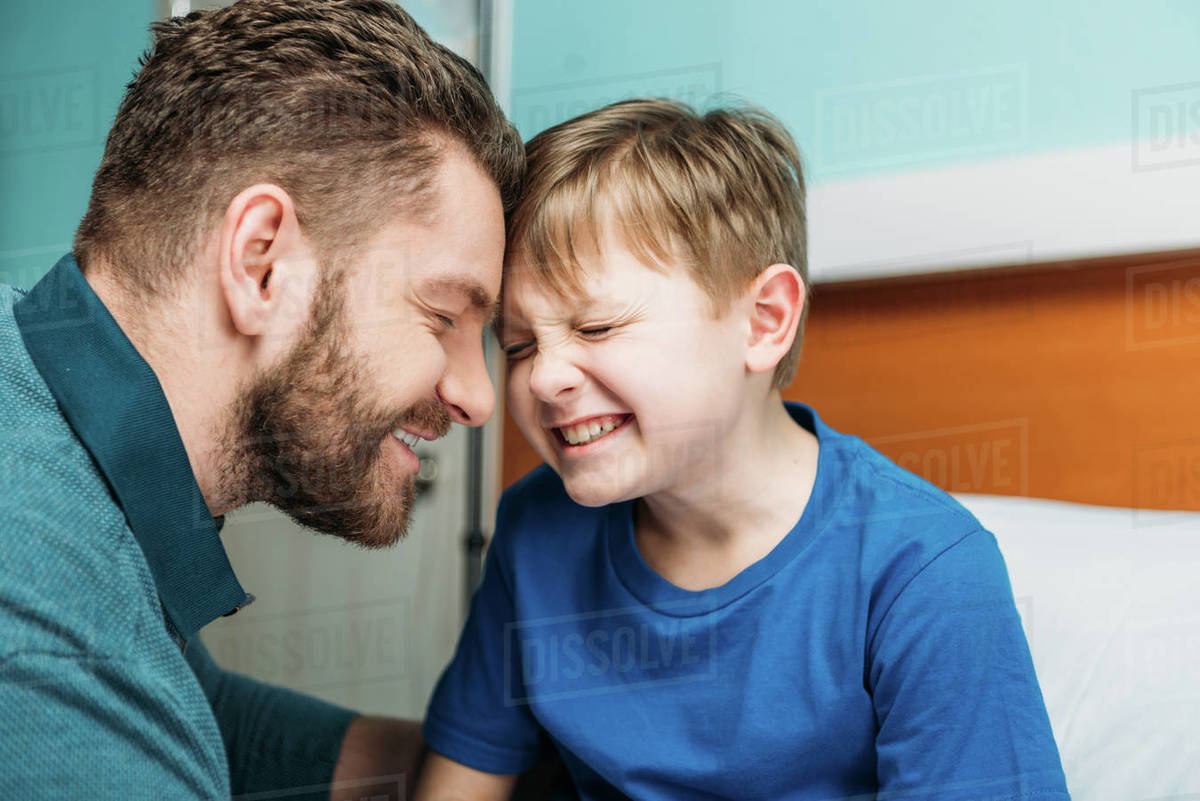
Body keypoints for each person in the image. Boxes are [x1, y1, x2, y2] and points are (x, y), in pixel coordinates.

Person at [415, 98, 1071, 800]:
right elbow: (462, 781)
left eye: (599, 327)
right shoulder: (535, 531)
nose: (543, 376)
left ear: (763, 321)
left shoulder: (924, 572)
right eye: (517, 345)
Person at [0, 1, 522, 798]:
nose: (478, 396)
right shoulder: (41, 623)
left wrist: (485, 755)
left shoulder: (33, 369)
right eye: (442, 316)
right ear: (262, 263)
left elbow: (192, 706)